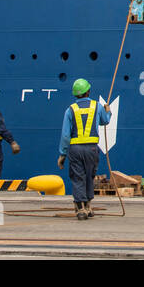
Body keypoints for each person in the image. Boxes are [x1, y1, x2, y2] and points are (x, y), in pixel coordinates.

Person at [57, 79, 112, 220]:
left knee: (77, 177)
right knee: (89, 176)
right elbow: (105, 121)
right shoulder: (97, 106)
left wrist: (63, 154)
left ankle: (80, 209)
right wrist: (108, 111)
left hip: (75, 149)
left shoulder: (70, 109)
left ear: (75, 94)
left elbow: (65, 135)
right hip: (92, 149)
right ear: (88, 91)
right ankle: (88, 206)